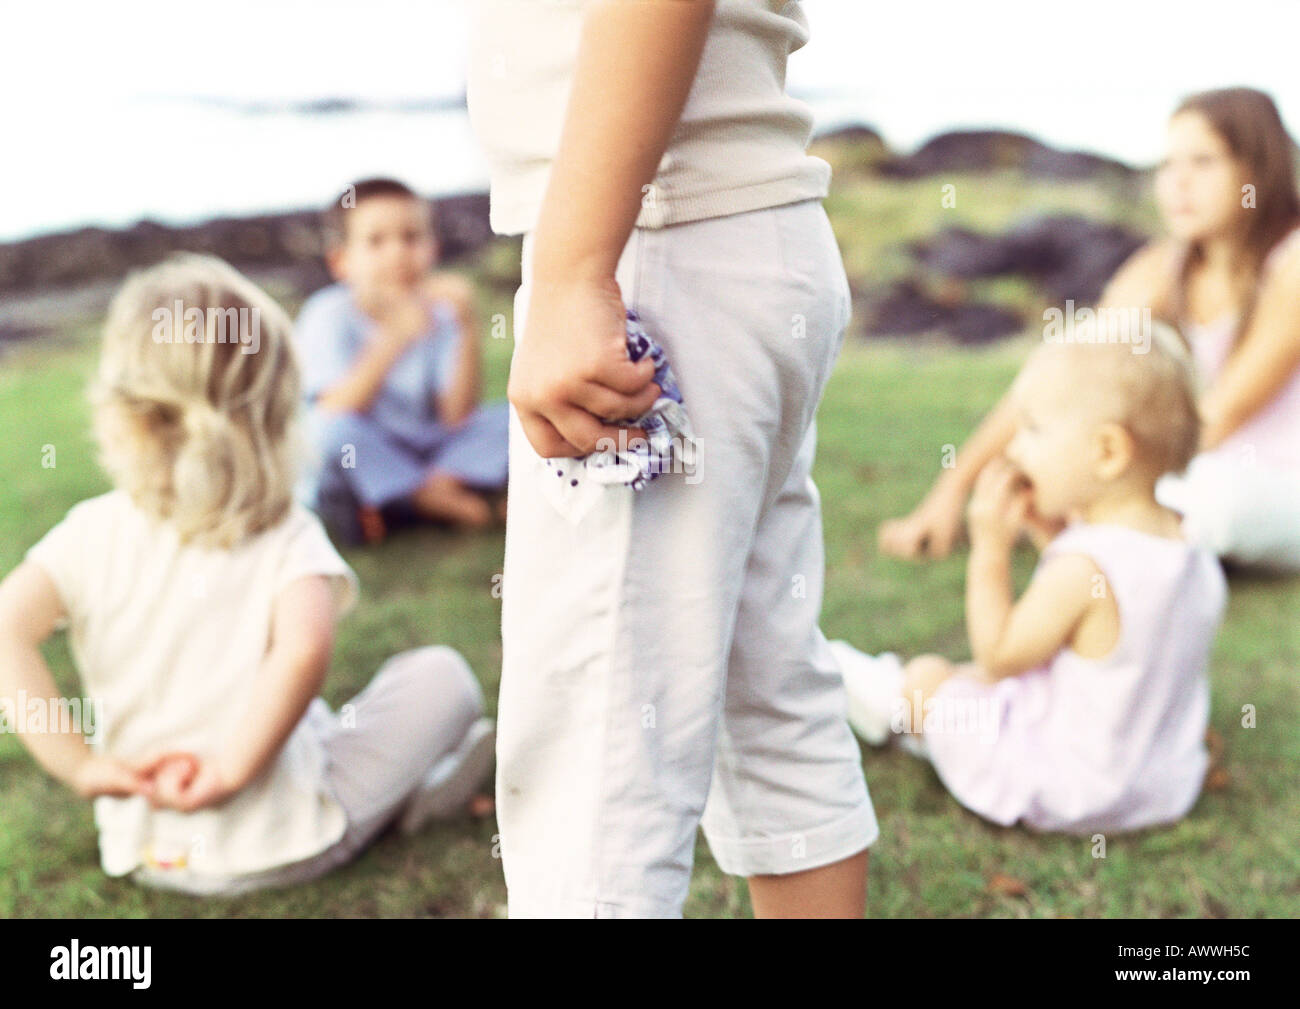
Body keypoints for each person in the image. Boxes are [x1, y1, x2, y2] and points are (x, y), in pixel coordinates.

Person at [467, 0, 876, 918]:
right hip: (730, 228)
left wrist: (575, 268)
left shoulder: (617, 251)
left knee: (595, 764)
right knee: (762, 685)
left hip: (653, 238)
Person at [0, 255, 496, 896]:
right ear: (276, 410)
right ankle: (409, 806)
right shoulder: (286, 532)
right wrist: (230, 773)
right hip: (284, 841)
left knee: (316, 720)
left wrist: (82, 768)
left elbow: (5, 631)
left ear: (126, 412)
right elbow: (303, 652)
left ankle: (407, 799)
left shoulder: (88, 532)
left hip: (152, 850)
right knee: (441, 677)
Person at [880, 88, 1300, 572]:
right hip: (1199, 471)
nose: (1179, 183)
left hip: (1266, 480)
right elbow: (1066, 369)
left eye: (1203, 163)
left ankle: (1097, 525)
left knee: (1214, 501)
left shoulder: (1288, 266)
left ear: (1256, 171)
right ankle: (1101, 524)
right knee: (1098, 471)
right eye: (1168, 165)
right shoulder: (1164, 268)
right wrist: (950, 489)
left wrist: (1094, 481)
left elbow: (1219, 417)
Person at [831, 325, 1228, 833]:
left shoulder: (1083, 568)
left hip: (1069, 787)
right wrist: (1051, 541)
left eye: (1033, 430)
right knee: (972, 679)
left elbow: (1001, 656)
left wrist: (991, 551)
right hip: (1158, 785)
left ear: (1107, 452)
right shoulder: (1189, 549)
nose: (1014, 450)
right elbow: (1108, 637)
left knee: (932, 678)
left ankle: (892, 706)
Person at [294, 178, 509, 545]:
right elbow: (335, 407)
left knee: (511, 416)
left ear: (433, 248)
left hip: (432, 448)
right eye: (376, 241)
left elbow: (457, 417)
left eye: (411, 237)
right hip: (367, 448)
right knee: (327, 434)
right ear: (341, 261)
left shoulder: (440, 315)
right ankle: (435, 497)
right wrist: (394, 337)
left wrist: (467, 324)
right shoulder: (326, 314)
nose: (397, 254)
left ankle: (421, 495)